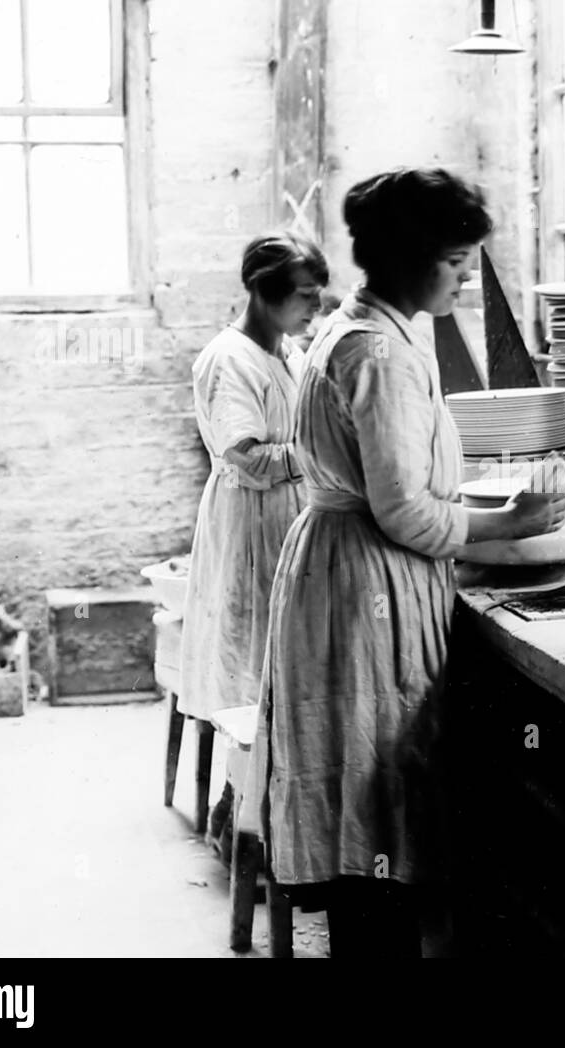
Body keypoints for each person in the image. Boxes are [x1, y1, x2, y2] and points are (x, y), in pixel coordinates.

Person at [255, 169, 565, 957]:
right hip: (369, 584)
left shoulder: (357, 328)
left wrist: (489, 519)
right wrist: (513, 519)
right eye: (457, 260)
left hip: (339, 570)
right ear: (405, 257)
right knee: (375, 793)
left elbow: (390, 483)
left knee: (360, 791)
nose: (468, 276)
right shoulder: (380, 354)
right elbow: (403, 511)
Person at [179, 230, 329, 856]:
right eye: (303, 298)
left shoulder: (288, 352)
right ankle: (241, 832)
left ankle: (246, 820)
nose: (313, 311)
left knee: (280, 671)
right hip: (251, 523)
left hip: (289, 517)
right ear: (263, 294)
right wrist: (326, 454)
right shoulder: (229, 358)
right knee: (253, 674)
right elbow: (250, 460)